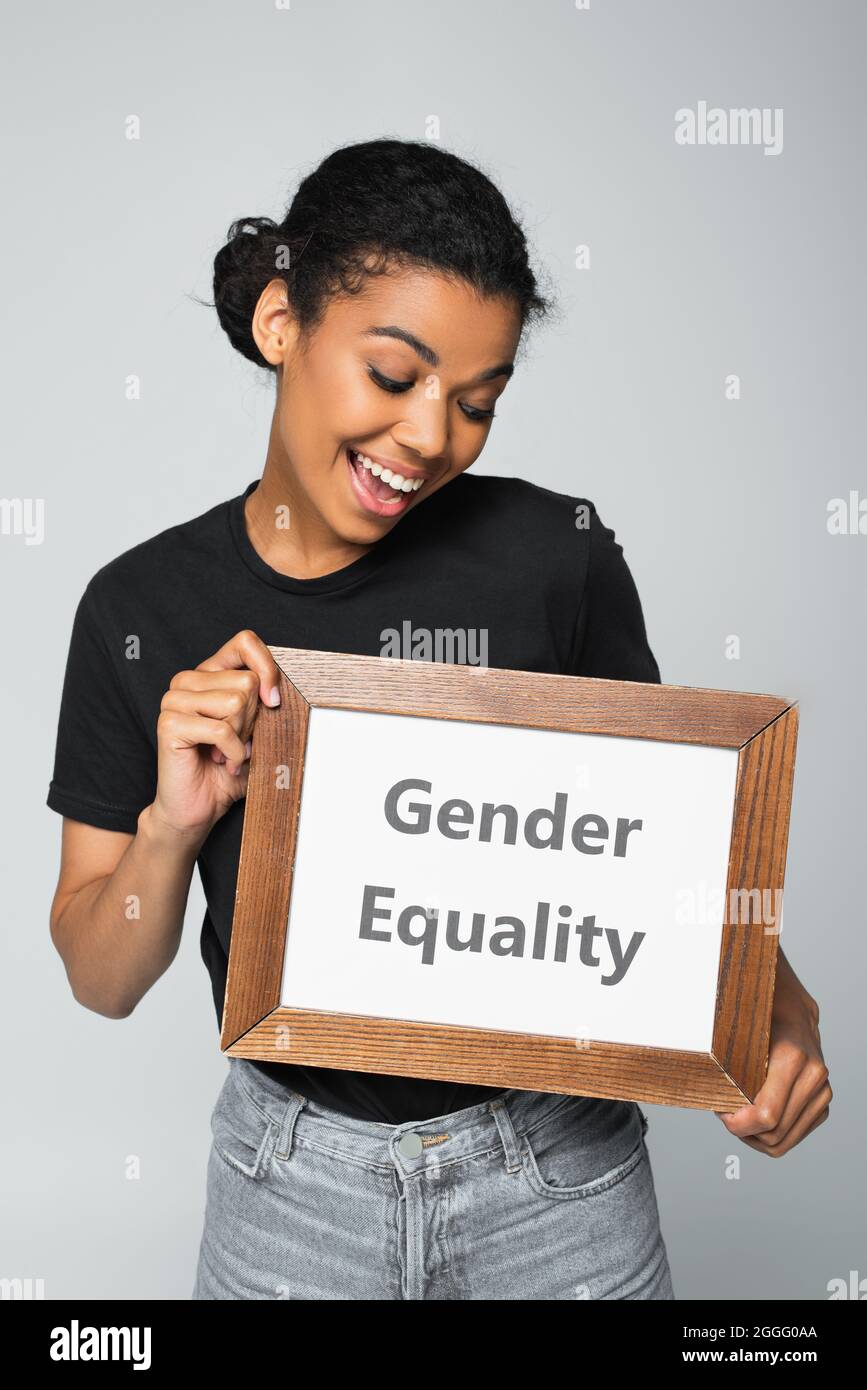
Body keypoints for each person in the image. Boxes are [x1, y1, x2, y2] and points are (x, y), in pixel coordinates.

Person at [46, 138, 831, 1301]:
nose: (429, 437)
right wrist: (171, 826)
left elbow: (671, 851)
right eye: (393, 375)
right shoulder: (139, 607)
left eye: (476, 403)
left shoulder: (556, 557)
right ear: (281, 323)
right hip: (291, 1186)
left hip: (557, 1167)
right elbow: (101, 977)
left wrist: (778, 1009)